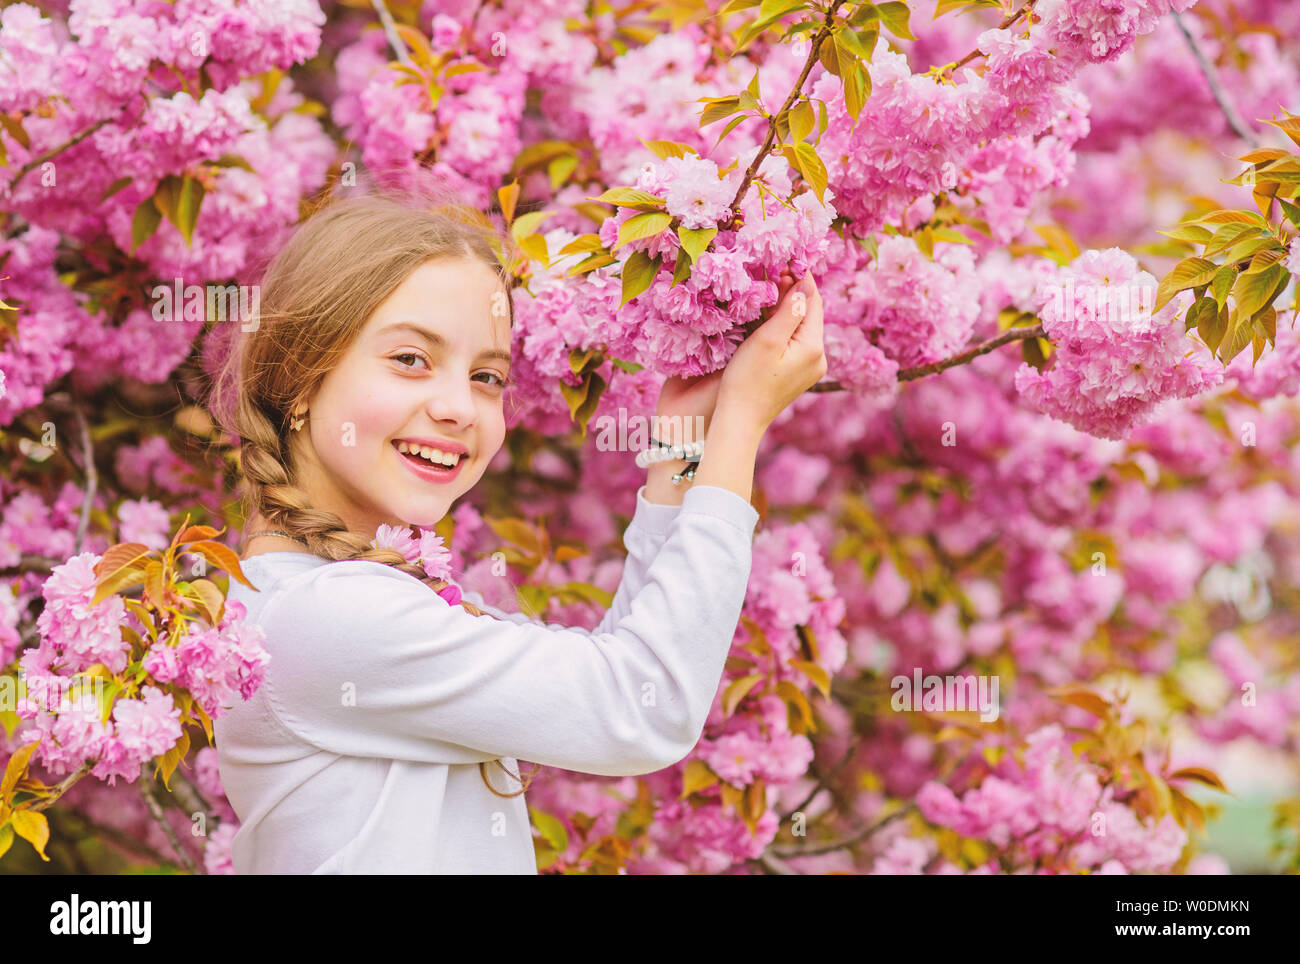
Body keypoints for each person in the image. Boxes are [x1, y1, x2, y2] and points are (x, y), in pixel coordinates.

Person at [208, 177, 826, 874]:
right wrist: (739, 426)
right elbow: (642, 708)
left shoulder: (333, 595)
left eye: (487, 377)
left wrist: (685, 441)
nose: (458, 408)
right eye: (411, 360)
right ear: (299, 381)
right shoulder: (325, 616)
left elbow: (623, 672)